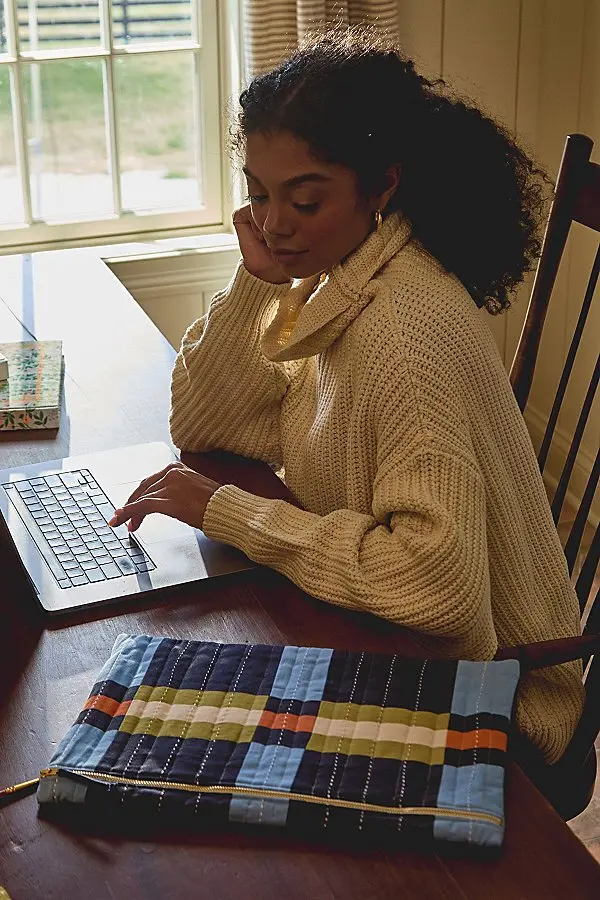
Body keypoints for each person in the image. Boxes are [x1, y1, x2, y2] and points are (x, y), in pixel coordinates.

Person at [108, 29, 584, 771]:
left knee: (168, 744)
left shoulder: (403, 331)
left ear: (381, 187)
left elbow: (435, 584)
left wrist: (231, 513)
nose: (274, 223)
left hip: (495, 696)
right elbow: (204, 427)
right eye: (258, 194)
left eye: (304, 199)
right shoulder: (342, 278)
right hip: (395, 640)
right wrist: (257, 281)